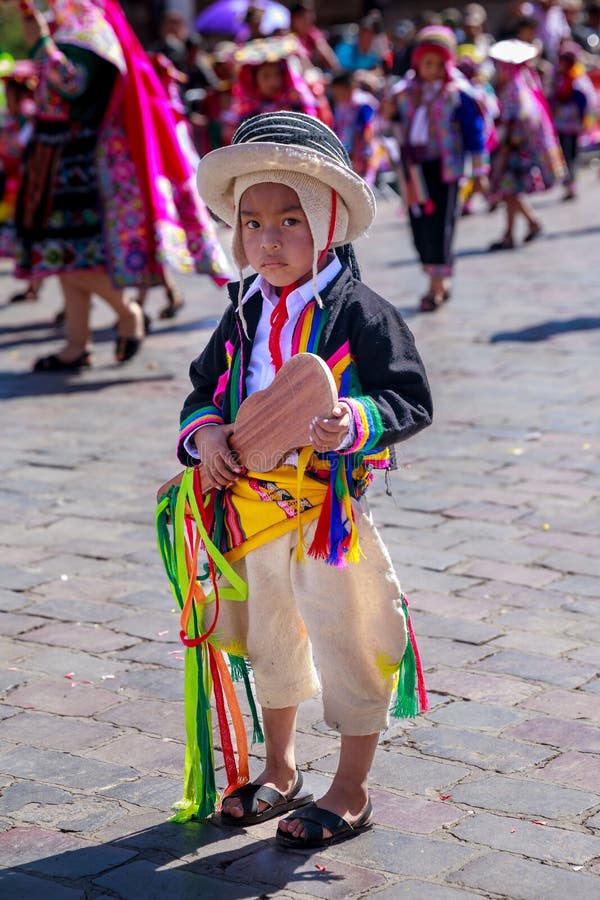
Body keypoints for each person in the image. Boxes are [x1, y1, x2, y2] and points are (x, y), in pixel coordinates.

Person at [169, 111, 433, 846]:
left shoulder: (361, 313)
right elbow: (203, 392)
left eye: (290, 219)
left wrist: (354, 418)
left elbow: (408, 397)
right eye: (253, 222)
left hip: (328, 518)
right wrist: (209, 434)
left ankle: (350, 788)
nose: (269, 238)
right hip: (253, 512)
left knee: (349, 634)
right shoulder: (243, 315)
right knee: (269, 638)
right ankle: (280, 770)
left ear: (328, 222)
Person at [12, 0, 231, 372]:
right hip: (60, 157)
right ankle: (76, 344)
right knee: (69, 254)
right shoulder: (71, 25)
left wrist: (40, 46)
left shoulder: (89, 24)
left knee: (75, 256)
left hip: (81, 160)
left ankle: (127, 313)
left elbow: (73, 84)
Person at [391, 26, 489, 311]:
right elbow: (390, 125)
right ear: (417, 62)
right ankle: (434, 273)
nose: (431, 69)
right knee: (418, 225)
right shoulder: (404, 93)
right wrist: (388, 117)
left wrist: (479, 172)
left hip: (445, 169)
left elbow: (474, 133)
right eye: (426, 63)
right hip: (414, 170)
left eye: (437, 63)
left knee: (440, 226)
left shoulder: (457, 94)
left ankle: (437, 284)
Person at [488, 39, 567, 249]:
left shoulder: (516, 87)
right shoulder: (523, 82)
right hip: (516, 146)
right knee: (511, 191)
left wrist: (511, 139)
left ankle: (517, 231)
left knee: (510, 190)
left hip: (516, 149)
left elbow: (525, 117)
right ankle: (522, 228)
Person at [550, 40, 596, 199]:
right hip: (561, 124)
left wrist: (584, 121)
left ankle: (571, 184)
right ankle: (569, 183)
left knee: (571, 154)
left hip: (572, 124)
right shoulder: (559, 76)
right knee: (564, 154)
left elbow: (585, 103)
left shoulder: (576, 79)